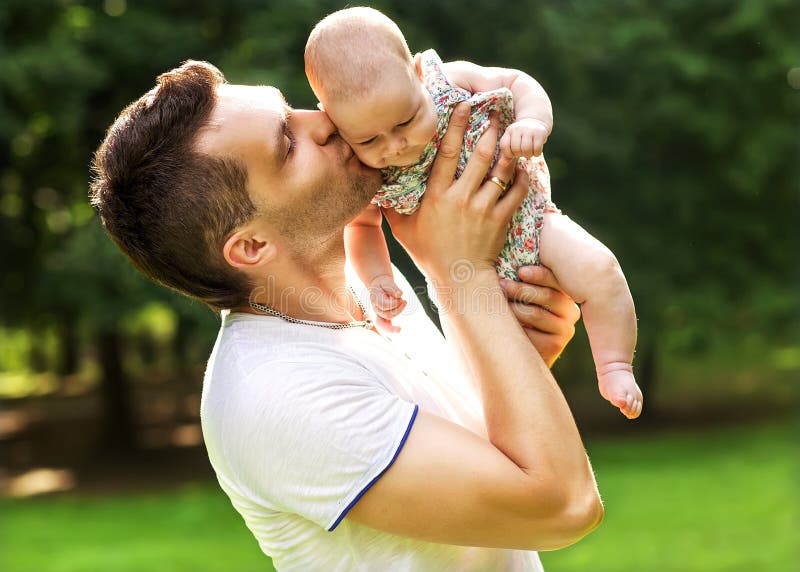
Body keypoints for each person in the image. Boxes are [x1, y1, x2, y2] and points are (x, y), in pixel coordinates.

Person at [90, 59, 603, 571]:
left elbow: (489, 456)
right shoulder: (276, 394)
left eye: (292, 109)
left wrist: (522, 351)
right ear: (251, 246)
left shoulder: (366, 291)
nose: (325, 119)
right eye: (288, 145)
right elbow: (564, 507)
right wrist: (458, 271)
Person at [305, 7, 643, 419]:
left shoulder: (448, 78)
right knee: (484, 384)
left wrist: (534, 119)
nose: (395, 145)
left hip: (532, 225)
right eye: (370, 139)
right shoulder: (362, 172)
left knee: (600, 269)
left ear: (416, 73)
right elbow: (360, 228)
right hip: (462, 282)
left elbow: (516, 82)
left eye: (407, 120)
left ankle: (614, 366)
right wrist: (378, 280)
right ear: (333, 119)